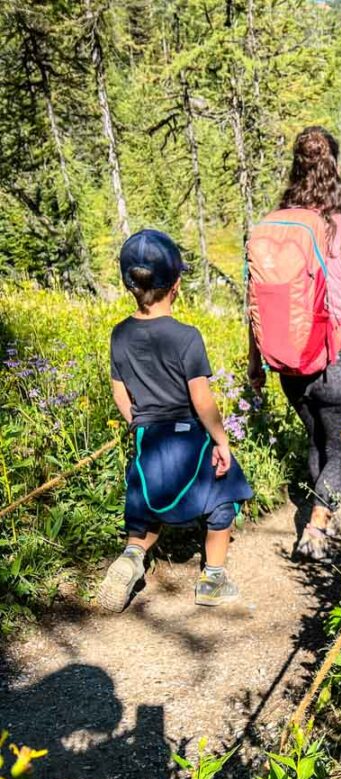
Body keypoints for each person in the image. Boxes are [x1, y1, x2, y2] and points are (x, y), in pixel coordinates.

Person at [248, 126, 341, 562]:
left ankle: (317, 511)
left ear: (295, 168)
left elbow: (255, 304)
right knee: (339, 448)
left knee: (317, 440)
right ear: (335, 168)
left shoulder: (271, 228)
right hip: (338, 362)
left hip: (290, 366)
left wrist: (256, 364)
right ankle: (316, 528)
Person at [98, 228, 252, 612]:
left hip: (147, 437)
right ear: (176, 284)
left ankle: (132, 556)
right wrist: (221, 440)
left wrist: (139, 422)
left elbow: (120, 392)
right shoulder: (187, 337)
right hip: (188, 437)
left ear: (128, 282)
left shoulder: (119, 335)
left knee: (144, 507)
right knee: (223, 496)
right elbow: (201, 398)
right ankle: (213, 579)